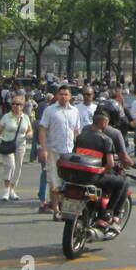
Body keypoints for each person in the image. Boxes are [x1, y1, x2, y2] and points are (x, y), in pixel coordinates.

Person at [70, 107, 135, 230]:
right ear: (105, 123)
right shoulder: (107, 139)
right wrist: (100, 172)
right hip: (92, 177)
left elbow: (74, 154)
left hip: (77, 175)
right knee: (123, 182)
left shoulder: (81, 135)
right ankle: (107, 214)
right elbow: (110, 164)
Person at [38, 86, 81, 220]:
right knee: (54, 182)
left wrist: (80, 149)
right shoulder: (50, 111)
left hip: (69, 152)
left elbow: (77, 132)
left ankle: (64, 207)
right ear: (57, 96)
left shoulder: (74, 111)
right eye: (61, 94)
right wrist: (44, 149)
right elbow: (43, 130)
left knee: (68, 182)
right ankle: (56, 210)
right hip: (54, 151)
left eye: (66, 94)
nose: (63, 97)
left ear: (70, 97)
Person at [0, 96, 34, 200]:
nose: (15, 106)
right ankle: (6, 190)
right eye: (13, 104)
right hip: (8, 144)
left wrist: (29, 135)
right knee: (10, 165)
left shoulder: (25, 117)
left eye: (18, 104)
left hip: (21, 145)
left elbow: (30, 130)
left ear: (22, 106)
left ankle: (12, 190)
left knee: (18, 167)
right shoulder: (6, 117)